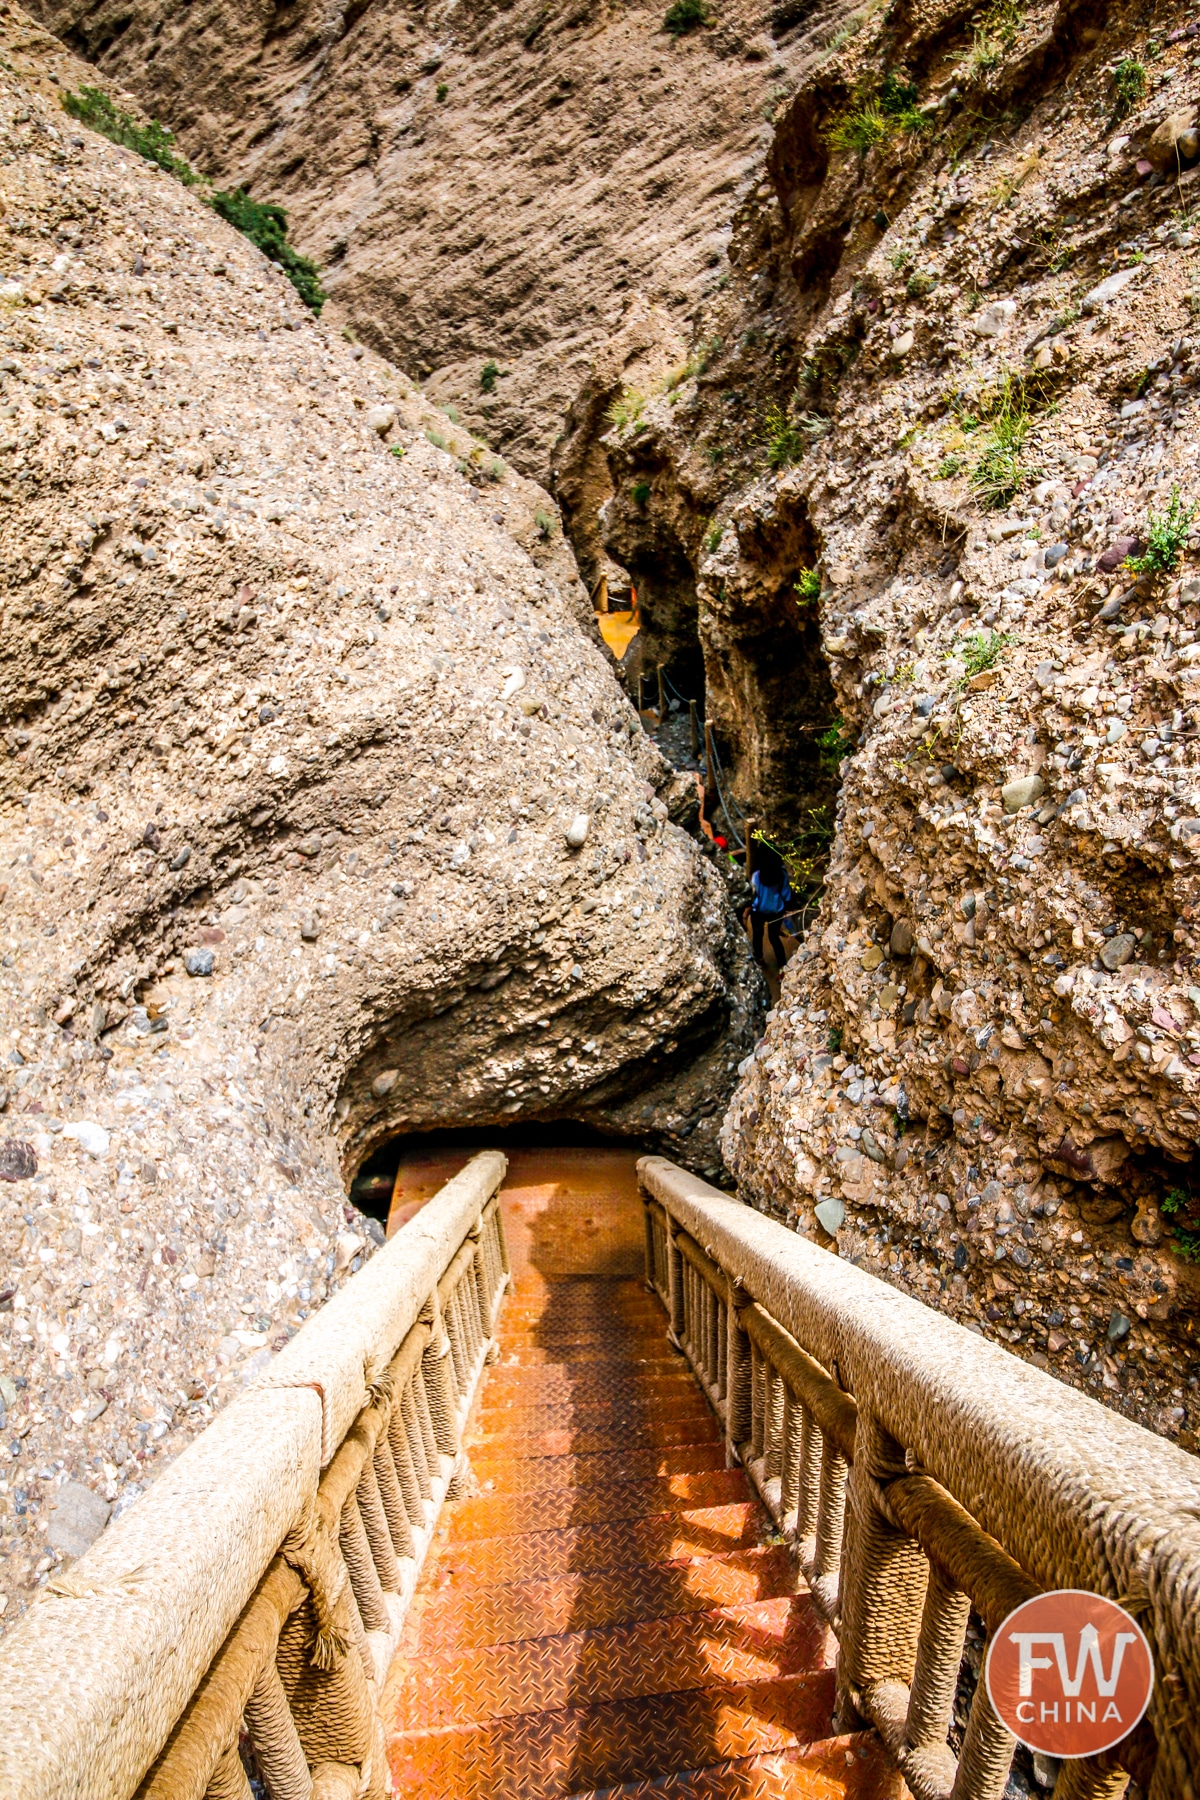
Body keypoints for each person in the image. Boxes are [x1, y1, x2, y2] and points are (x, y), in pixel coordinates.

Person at [747, 839, 792, 970]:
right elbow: (786, 894)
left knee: (757, 935)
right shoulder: (781, 874)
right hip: (776, 911)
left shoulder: (757, 875)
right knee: (774, 938)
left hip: (759, 911)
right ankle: (782, 967)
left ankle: (759, 959)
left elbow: (754, 895)